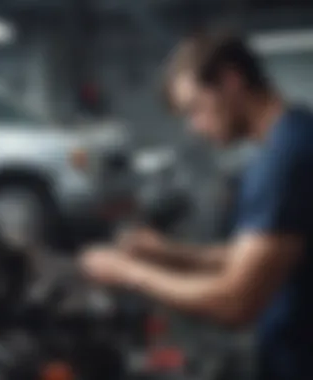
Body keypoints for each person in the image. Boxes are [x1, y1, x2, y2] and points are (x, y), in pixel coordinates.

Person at [79, 30, 313, 380]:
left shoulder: (286, 158)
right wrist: (166, 252)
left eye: (195, 109)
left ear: (230, 81)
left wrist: (127, 273)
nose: (194, 127)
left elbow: (235, 301)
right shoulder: (293, 136)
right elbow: (247, 256)